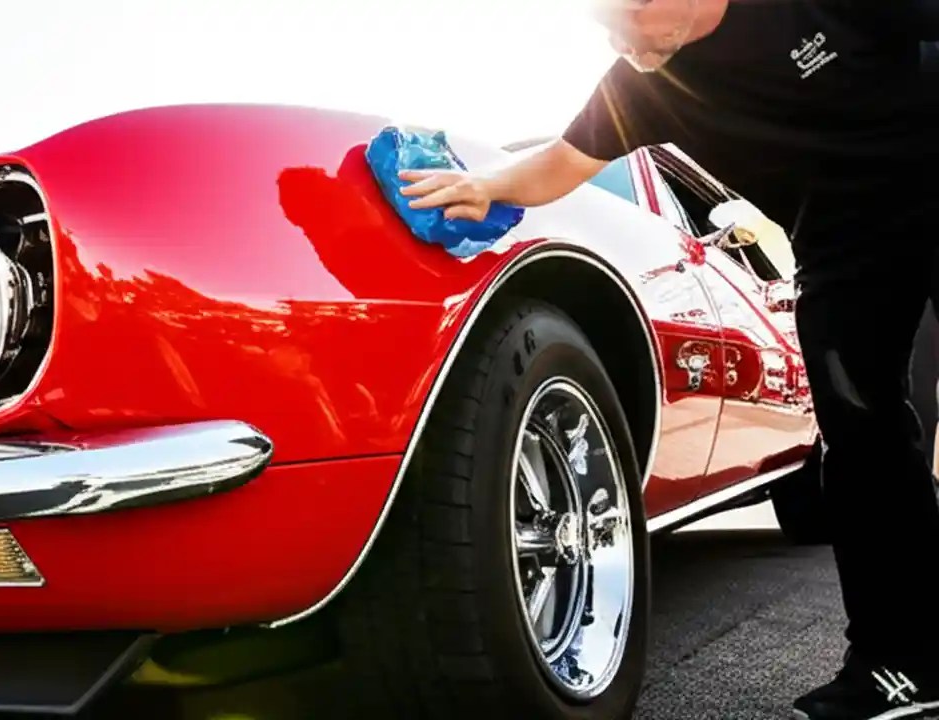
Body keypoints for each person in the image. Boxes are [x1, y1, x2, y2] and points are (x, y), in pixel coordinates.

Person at [400, 1, 939, 719]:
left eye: (628, 13)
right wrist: (483, 186)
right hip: (844, 243)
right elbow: (558, 166)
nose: (617, 36)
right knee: (862, 432)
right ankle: (900, 663)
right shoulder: (639, 84)